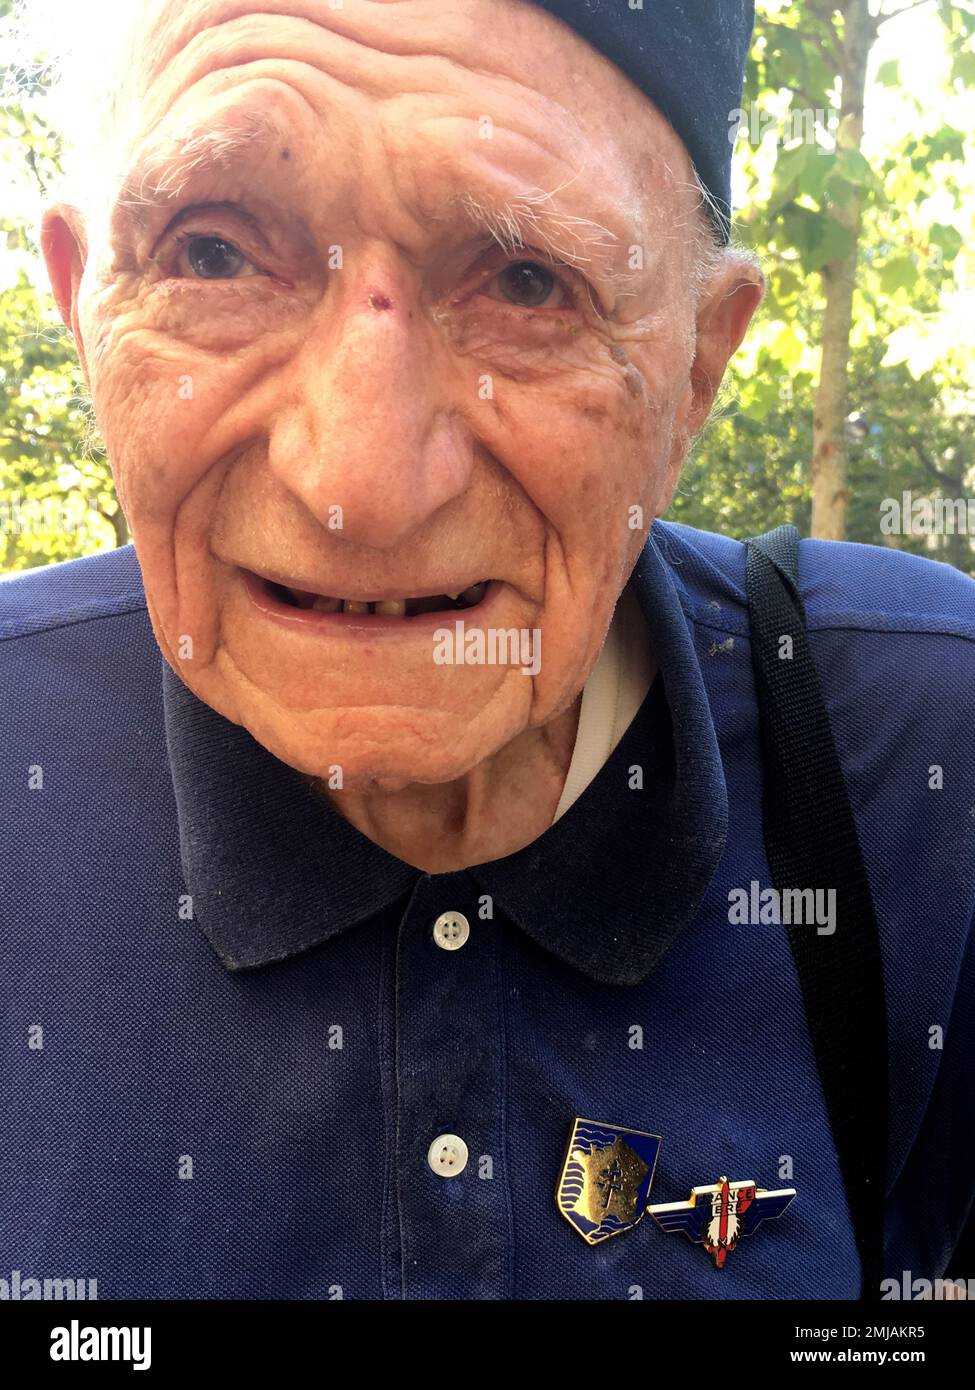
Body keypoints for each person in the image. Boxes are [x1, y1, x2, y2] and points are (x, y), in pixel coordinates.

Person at [1, 0, 972, 1300]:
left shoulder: (914, 757)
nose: (358, 485)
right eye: (216, 254)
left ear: (696, 367)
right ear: (83, 308)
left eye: (526, 281)